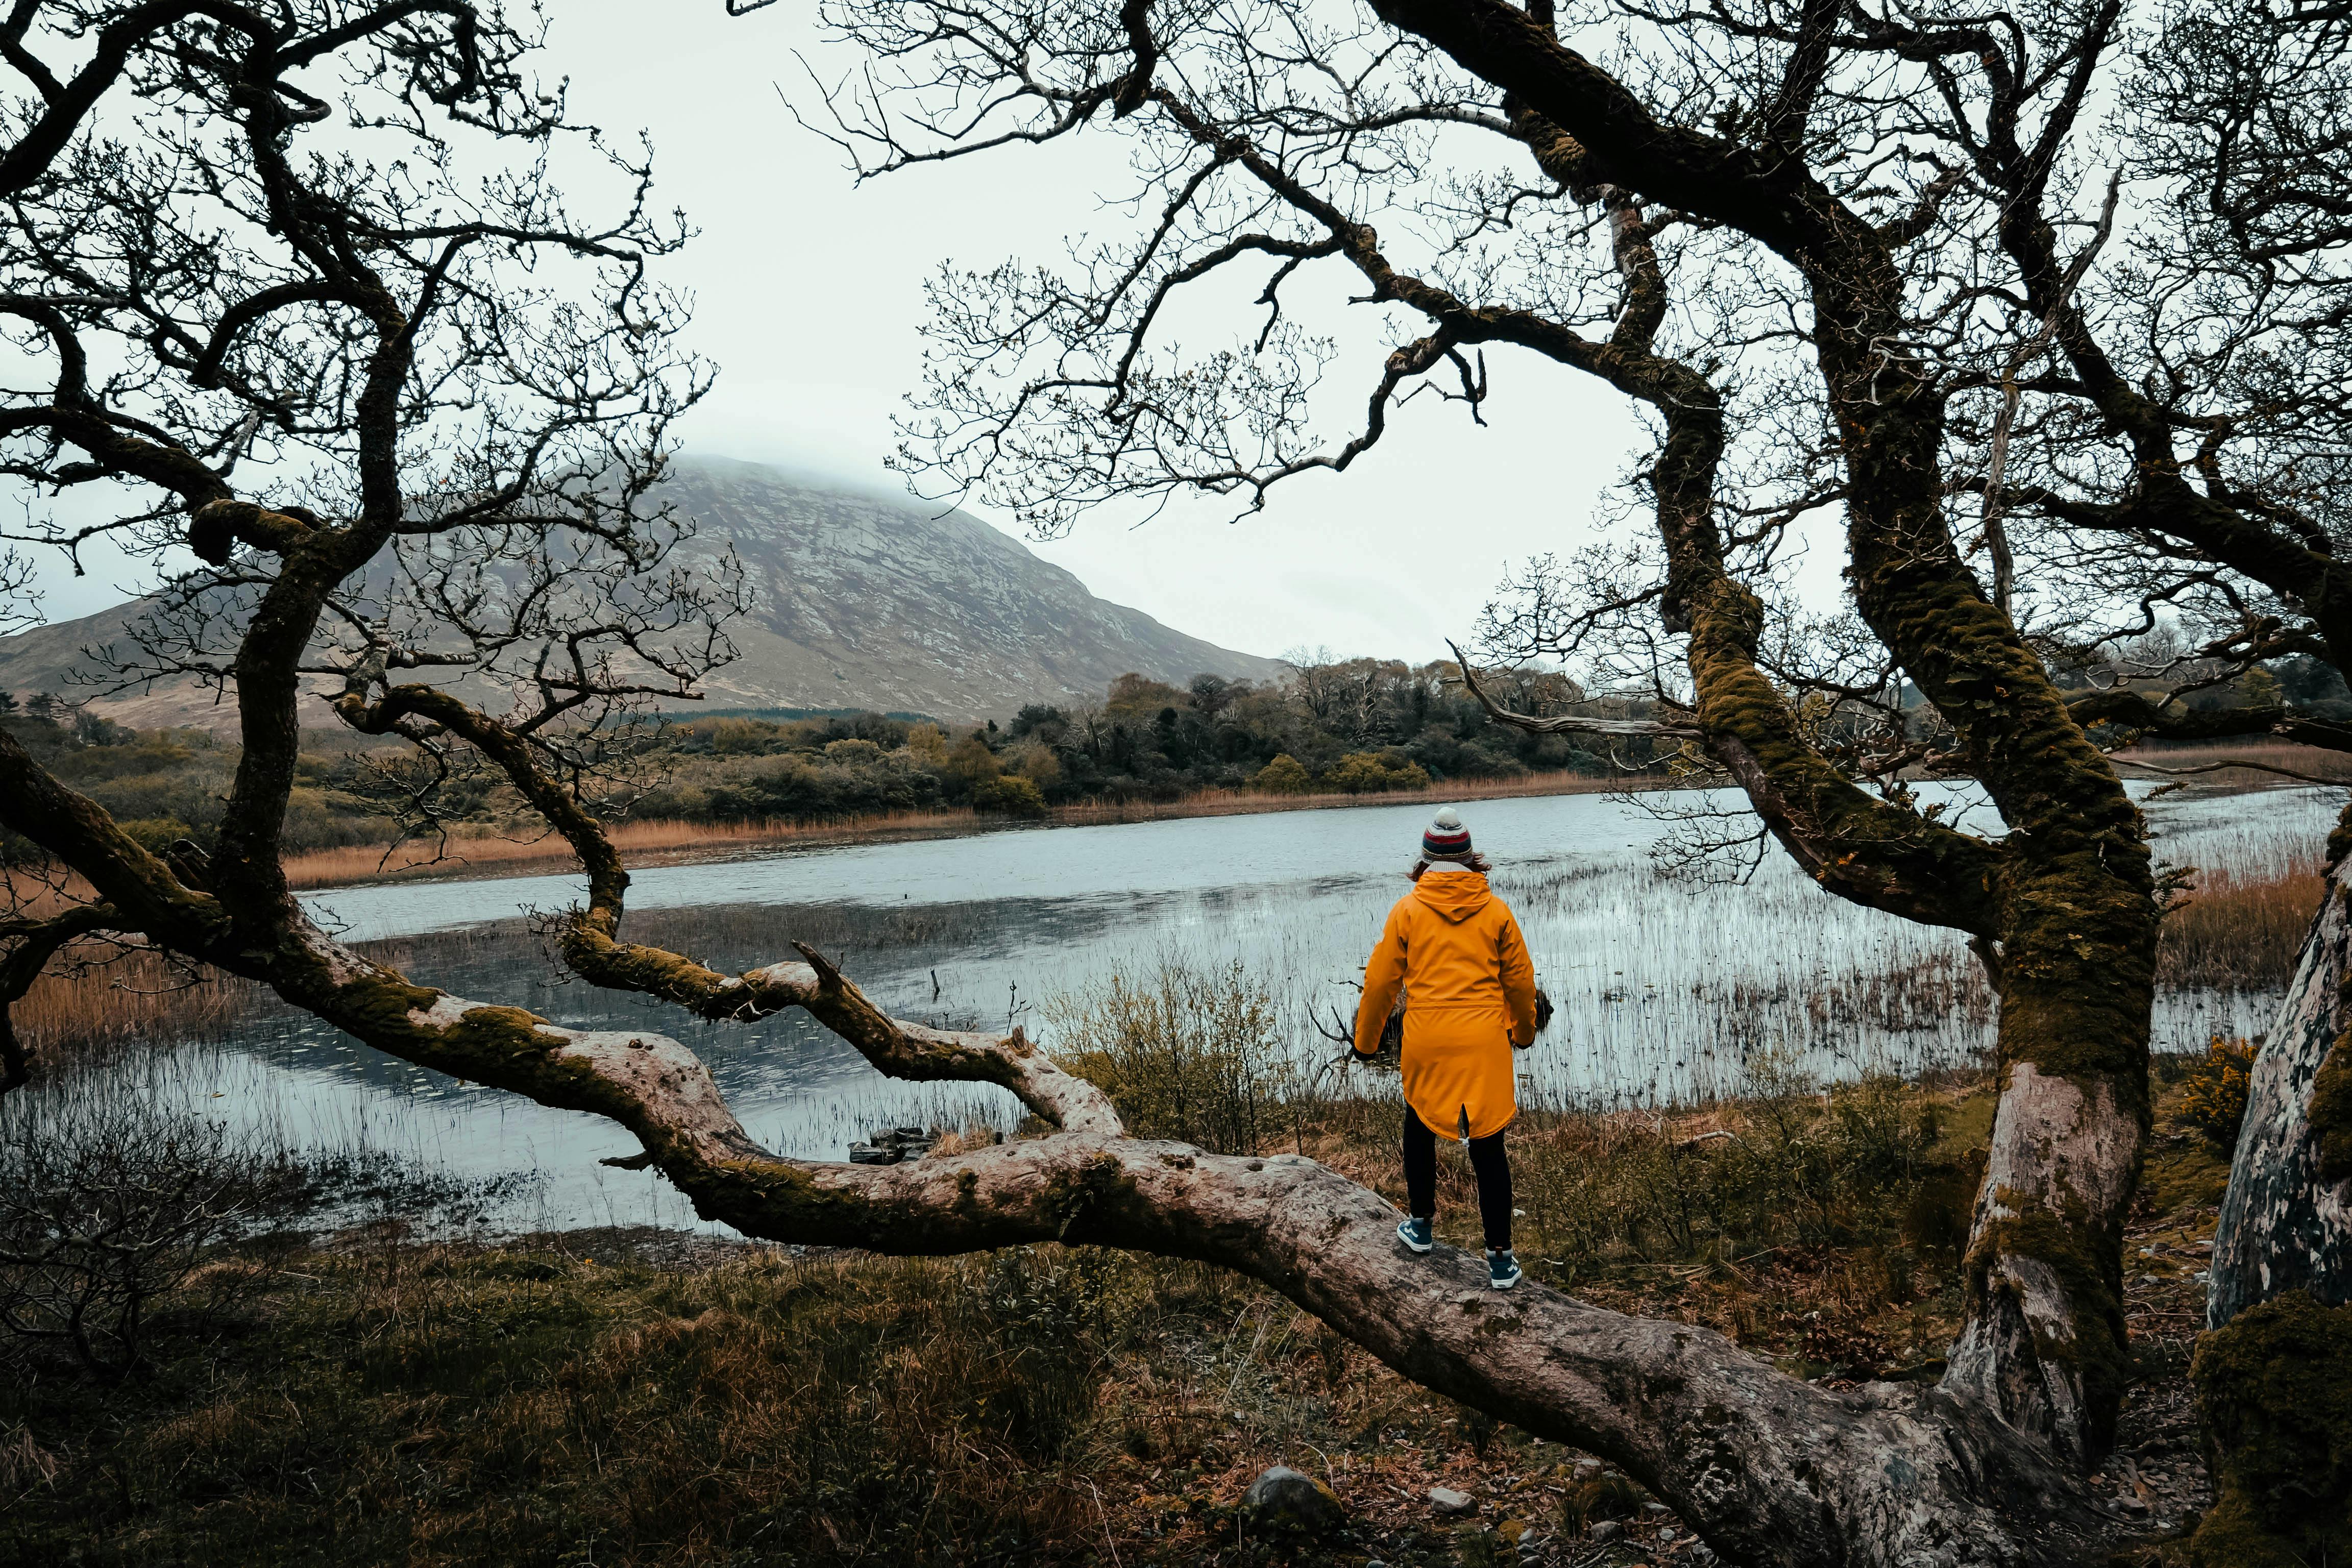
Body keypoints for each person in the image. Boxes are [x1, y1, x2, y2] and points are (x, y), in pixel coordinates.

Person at [1353, 806, 1538, 1289]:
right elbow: (1521, 983)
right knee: (1489, 1144)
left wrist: (1366, 1043)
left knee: (1419, 1124)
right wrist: (1523, 1032)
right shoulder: (1497, 911)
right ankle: (1501, 1260)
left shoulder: (1407, 911)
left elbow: (1380, 984)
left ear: (1425, 860)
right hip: (1483, 1041)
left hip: (1427, 1041)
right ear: (1471, 859)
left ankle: (1420, 1227)